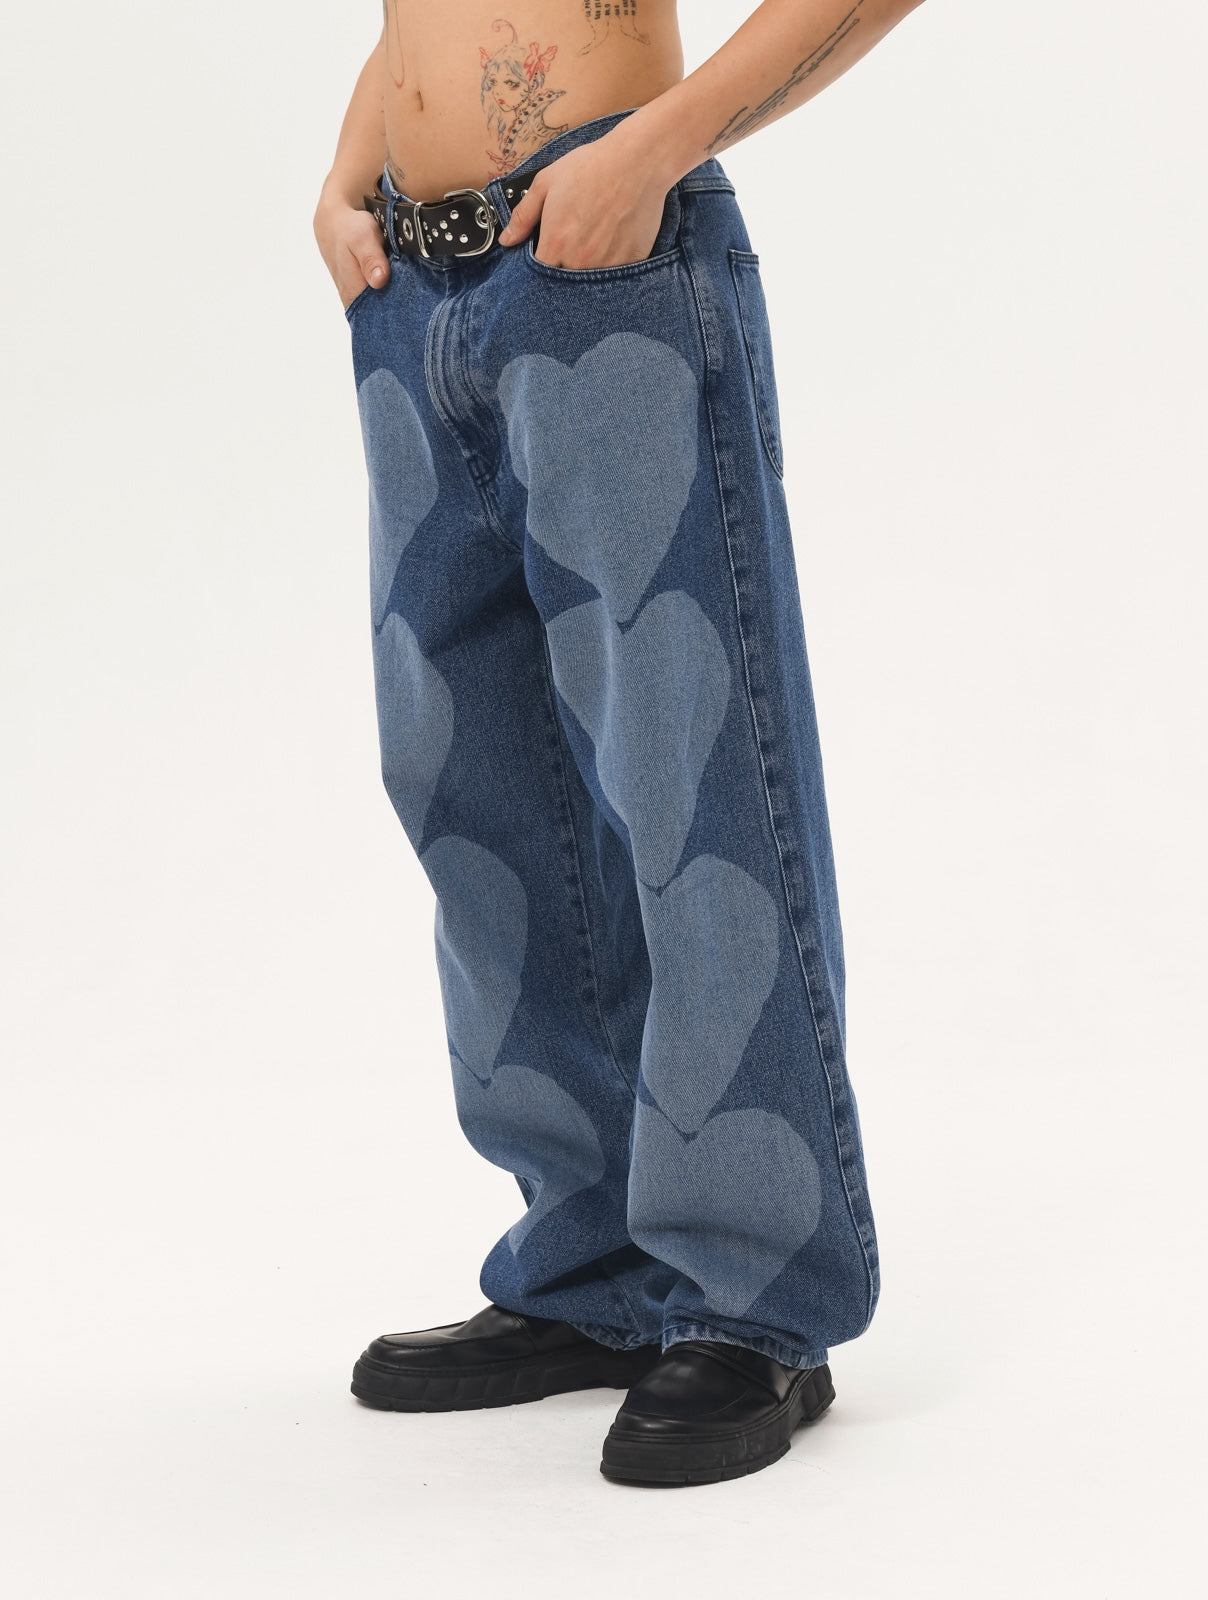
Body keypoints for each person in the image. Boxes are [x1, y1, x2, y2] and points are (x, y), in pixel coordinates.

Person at [313, 0, 925, 1488]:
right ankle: (594, 1266)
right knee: (473, 782)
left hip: (604, 253)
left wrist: (655, 147)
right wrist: (343, 178)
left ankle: (755, 1296)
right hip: (411, 281)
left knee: (690, 774)